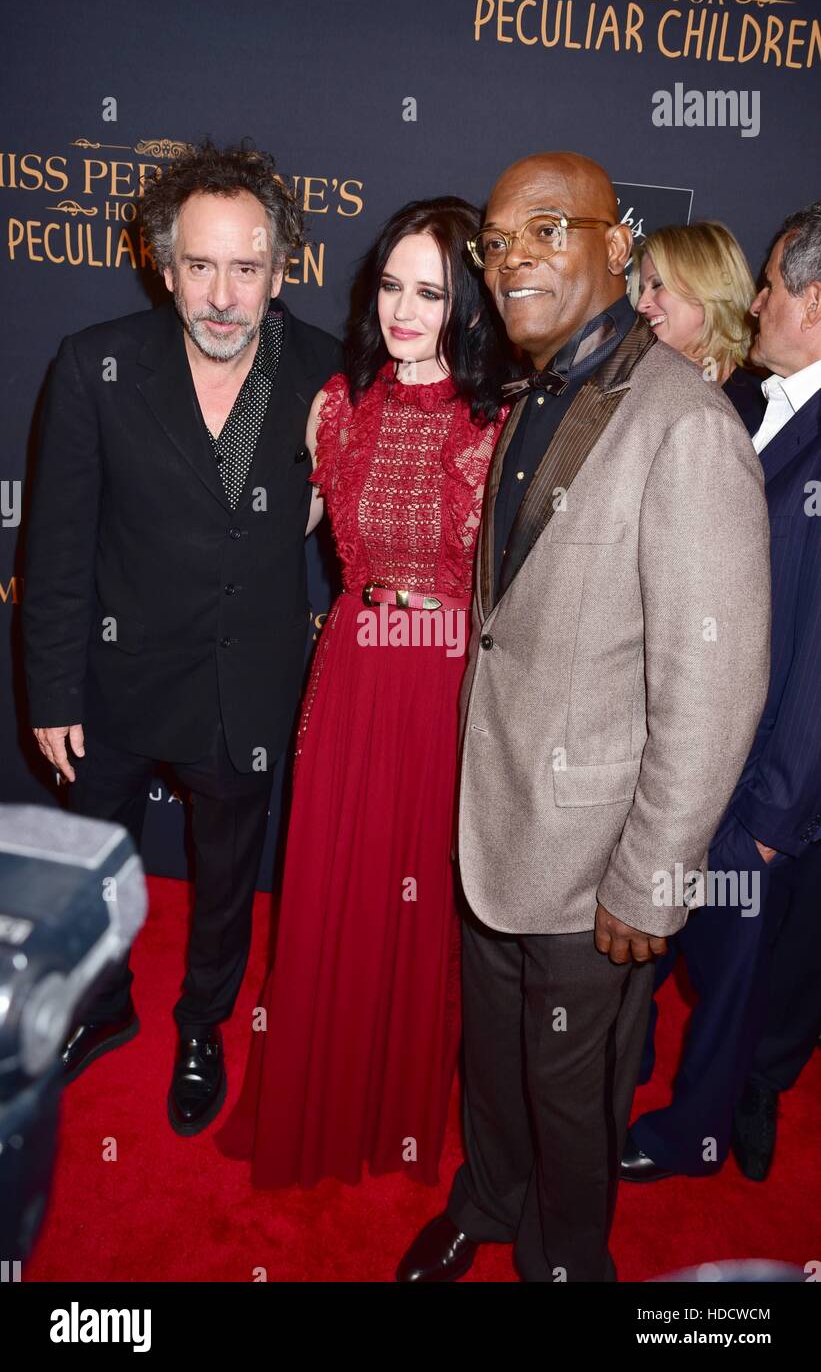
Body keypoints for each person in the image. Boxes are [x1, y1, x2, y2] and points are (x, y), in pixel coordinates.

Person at [396, 151, 771, 1283]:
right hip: (497, 825)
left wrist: (650, 878)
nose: (514, 258)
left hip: (595, 861)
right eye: (497, 242)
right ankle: (489, 1200)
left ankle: (565, 1261)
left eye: (547, 231)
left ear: (618, 246)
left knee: (571, 1094)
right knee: (493, 1056)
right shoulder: (532, 395)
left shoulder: (683, 424)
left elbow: (713, 683)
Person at [22, 141, 342, 1135]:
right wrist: (52, 695)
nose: (220, 294)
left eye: (244, 268)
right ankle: (104, 1005)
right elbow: (59, 547)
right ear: (163, 267)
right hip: (114, 685)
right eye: (198, 266)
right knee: (100, 869)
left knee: (224, 881)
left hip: (243, 687)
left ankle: (203, 1022)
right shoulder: (94, 366)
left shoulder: (330, 374)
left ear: (278, 272)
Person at [214, 198, 510, 1187]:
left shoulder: (496, 425)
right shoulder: (336, 405)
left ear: (464, 302)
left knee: (416, 902)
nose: (403, 309)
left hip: (439, 684)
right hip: (350, 668)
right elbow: (266, 535)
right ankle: (320, 1096)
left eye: (429, 291)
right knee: (332, 887)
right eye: (391, 285)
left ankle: (398, 1110)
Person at [623, 203, 821, 1184]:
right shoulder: (747, 401)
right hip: (685, 757)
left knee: (733, 985)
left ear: (814, 302)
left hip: (756, 798)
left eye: (772, 287)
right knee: (651, 944)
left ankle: (692, 1131)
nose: (754, 304)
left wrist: (768, 820)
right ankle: (623, 1074)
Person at [631, 219, 764, 416]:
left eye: (657, 284)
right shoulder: (640, 386)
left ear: (707, 286)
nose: (641, 304)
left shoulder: (755, 408)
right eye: (641, 290)